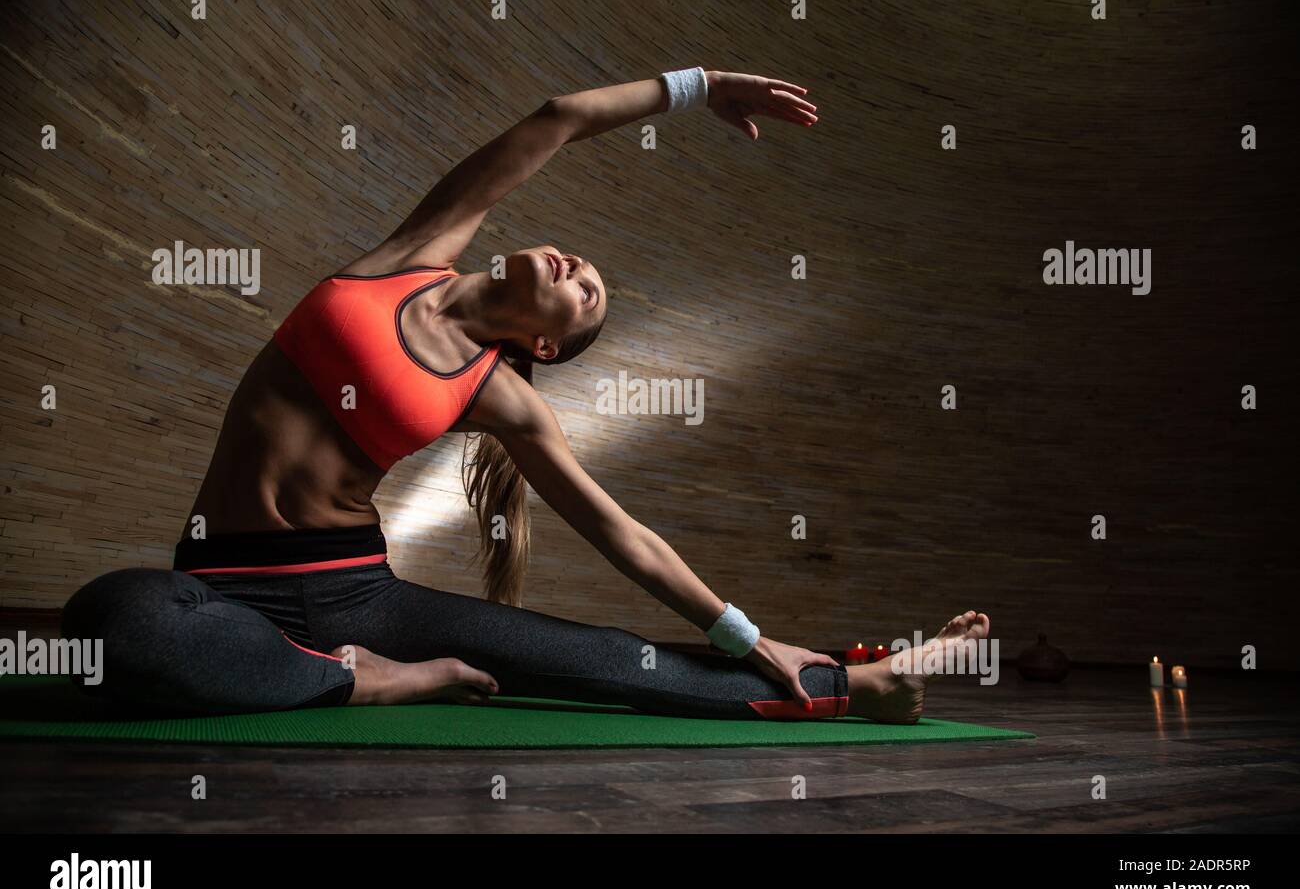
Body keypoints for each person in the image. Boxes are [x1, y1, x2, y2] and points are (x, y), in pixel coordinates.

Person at [62, 67, 989, 720]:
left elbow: (623, 535)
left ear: (542, 342)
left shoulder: (501, 396)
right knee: (114, 627)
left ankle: (854, 686)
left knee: (593, 658)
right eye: (585, 268)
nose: (579, 269)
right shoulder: (409, 258)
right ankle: (368, 682)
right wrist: (701, 85)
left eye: (586, 296)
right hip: (218, 584)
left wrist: (755, 638)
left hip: (357, 596)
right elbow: (558, 118)